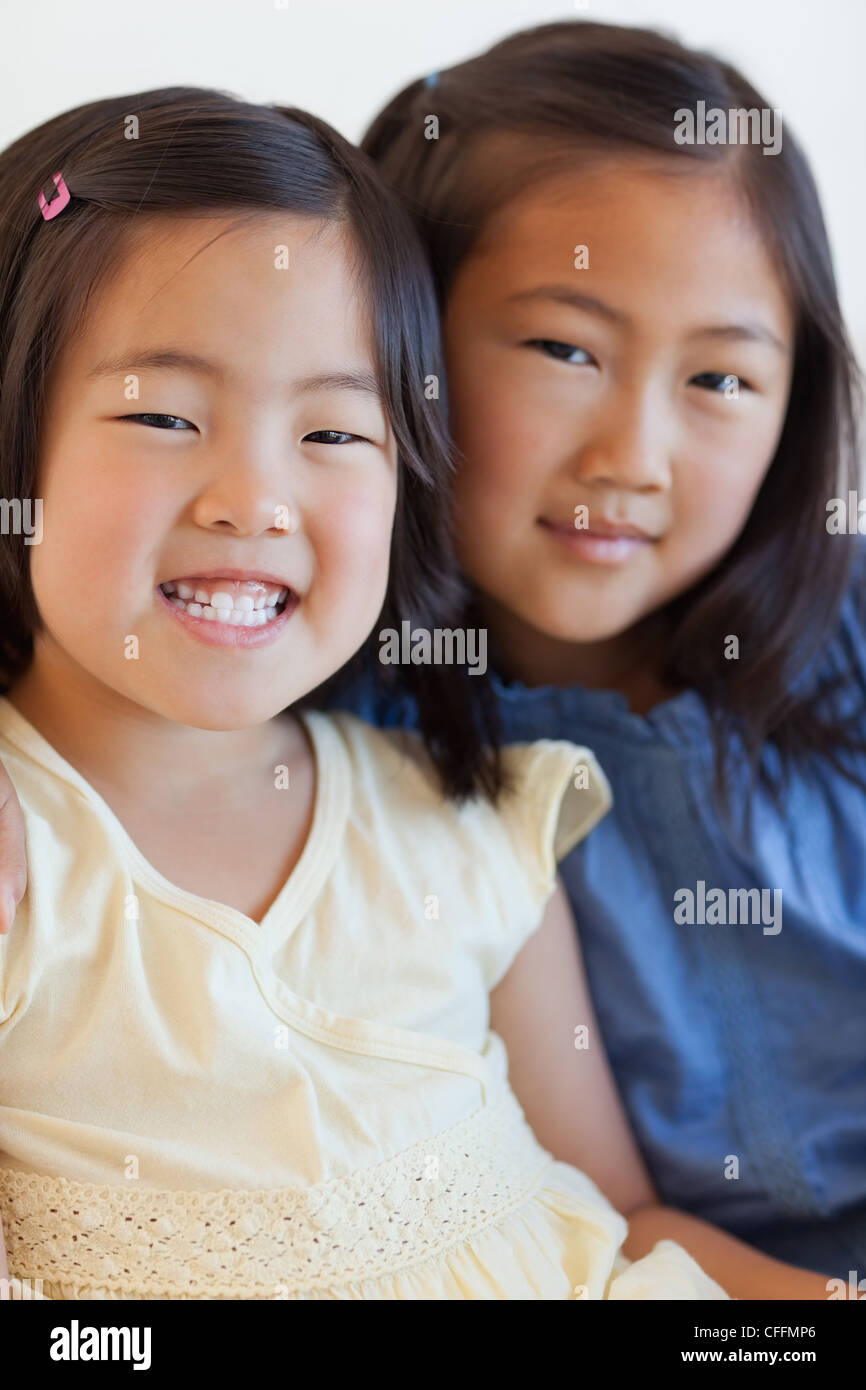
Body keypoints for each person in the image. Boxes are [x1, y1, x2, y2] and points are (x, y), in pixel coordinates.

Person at [0, 83, 746, 1302]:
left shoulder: (469, 822)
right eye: (163, 414)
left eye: (335, 435)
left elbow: (621, 1218)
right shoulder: (22, 858)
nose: (253, 498)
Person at [325, 19, 865, 1279]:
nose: (631, 456)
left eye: (719, 379)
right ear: (393, 344)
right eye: (564, 349)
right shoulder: (323, 723)